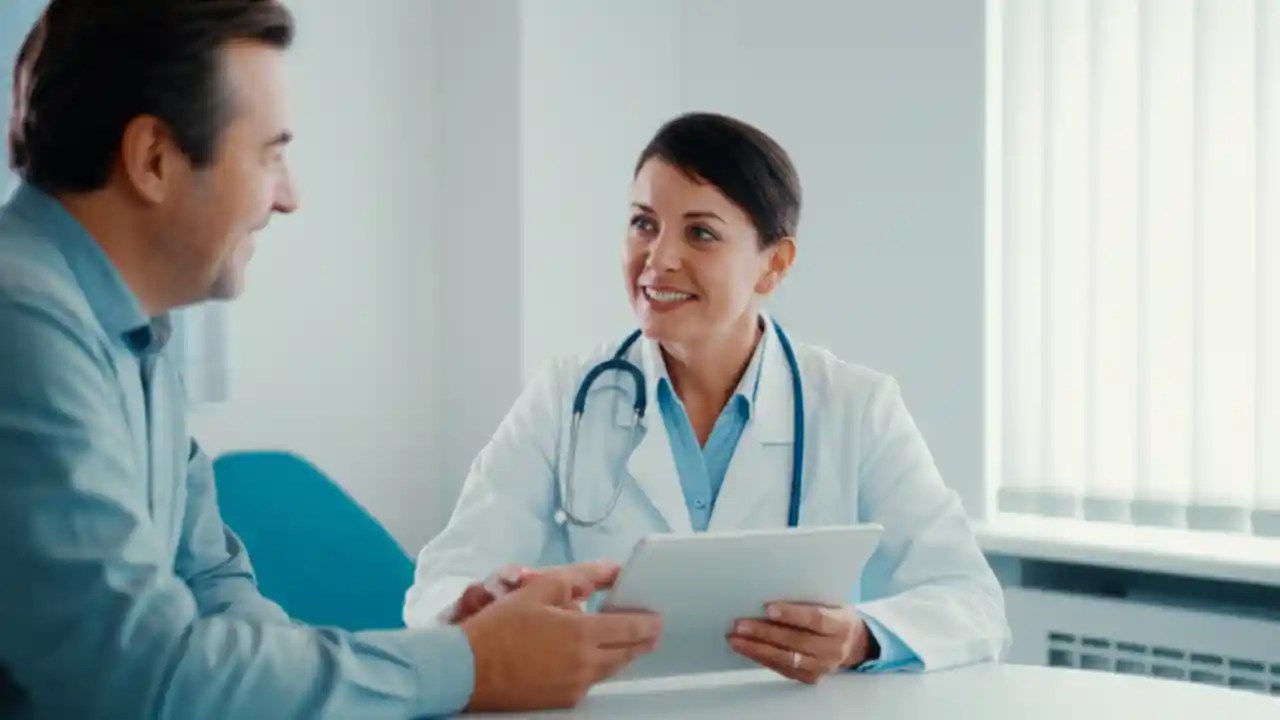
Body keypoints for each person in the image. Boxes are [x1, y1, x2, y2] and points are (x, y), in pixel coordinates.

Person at [0, 1, 659, 718]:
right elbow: (144, 674)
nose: (289, 196)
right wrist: (466, 665)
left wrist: (454, 650)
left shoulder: (131, 336)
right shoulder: (24, 328)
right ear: (154, 159)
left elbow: (220, 605)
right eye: (270, 154)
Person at [405, 111, 1011, 682]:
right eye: (644, 223)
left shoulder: (857, 407)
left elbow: (972, 602)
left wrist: (860, 638)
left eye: (701, 233)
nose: (659, 258)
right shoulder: (568, 396)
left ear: (773, 265)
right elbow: (443, 578)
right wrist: (476, 604)